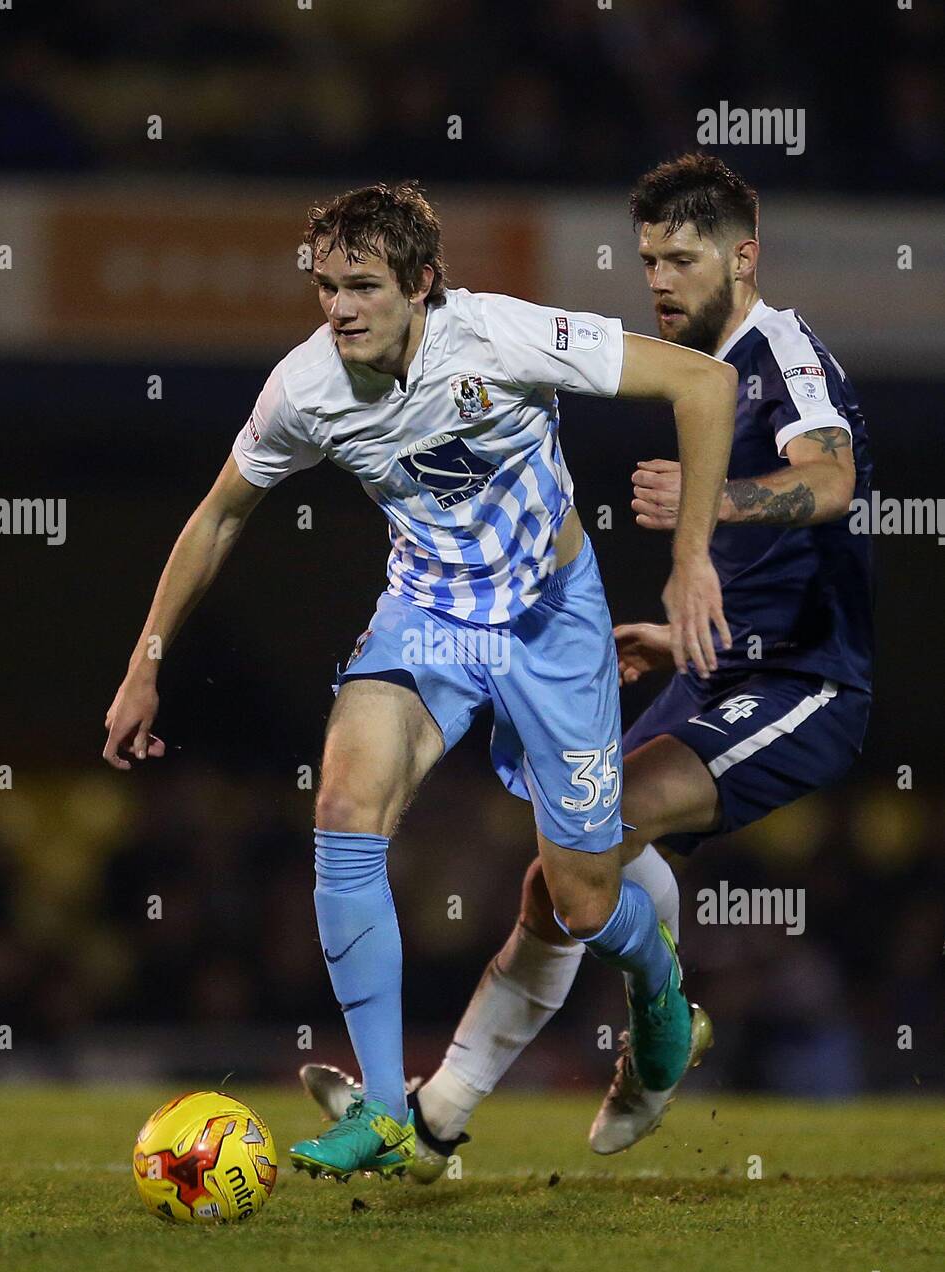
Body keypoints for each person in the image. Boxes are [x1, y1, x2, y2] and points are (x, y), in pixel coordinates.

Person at [103, 180, 737, 1182]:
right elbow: (220, 514)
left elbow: (704, 386)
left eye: (362, 285)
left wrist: (692, 556)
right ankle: (391, 1111)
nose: (340, 308)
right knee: (347, 801)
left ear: (424, 285)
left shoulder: (501, 336)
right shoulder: (306, 387)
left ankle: (660, 996)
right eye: (325, 286)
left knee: (578, 901)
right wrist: (147, 661)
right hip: (427, 619)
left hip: (548, 620)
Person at [303, 156, 874, 1181]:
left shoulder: (779, 354)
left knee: (590, 850)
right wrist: (676, 629)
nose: (660, 281)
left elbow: (830, 481)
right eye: (649, 258)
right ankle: (444, 1117)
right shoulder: (703, 359)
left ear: (744, 258)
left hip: (802, 686)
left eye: (683, 260)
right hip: (716, 669)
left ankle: (556, 1076)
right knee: (565, 879)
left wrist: (715, 517)